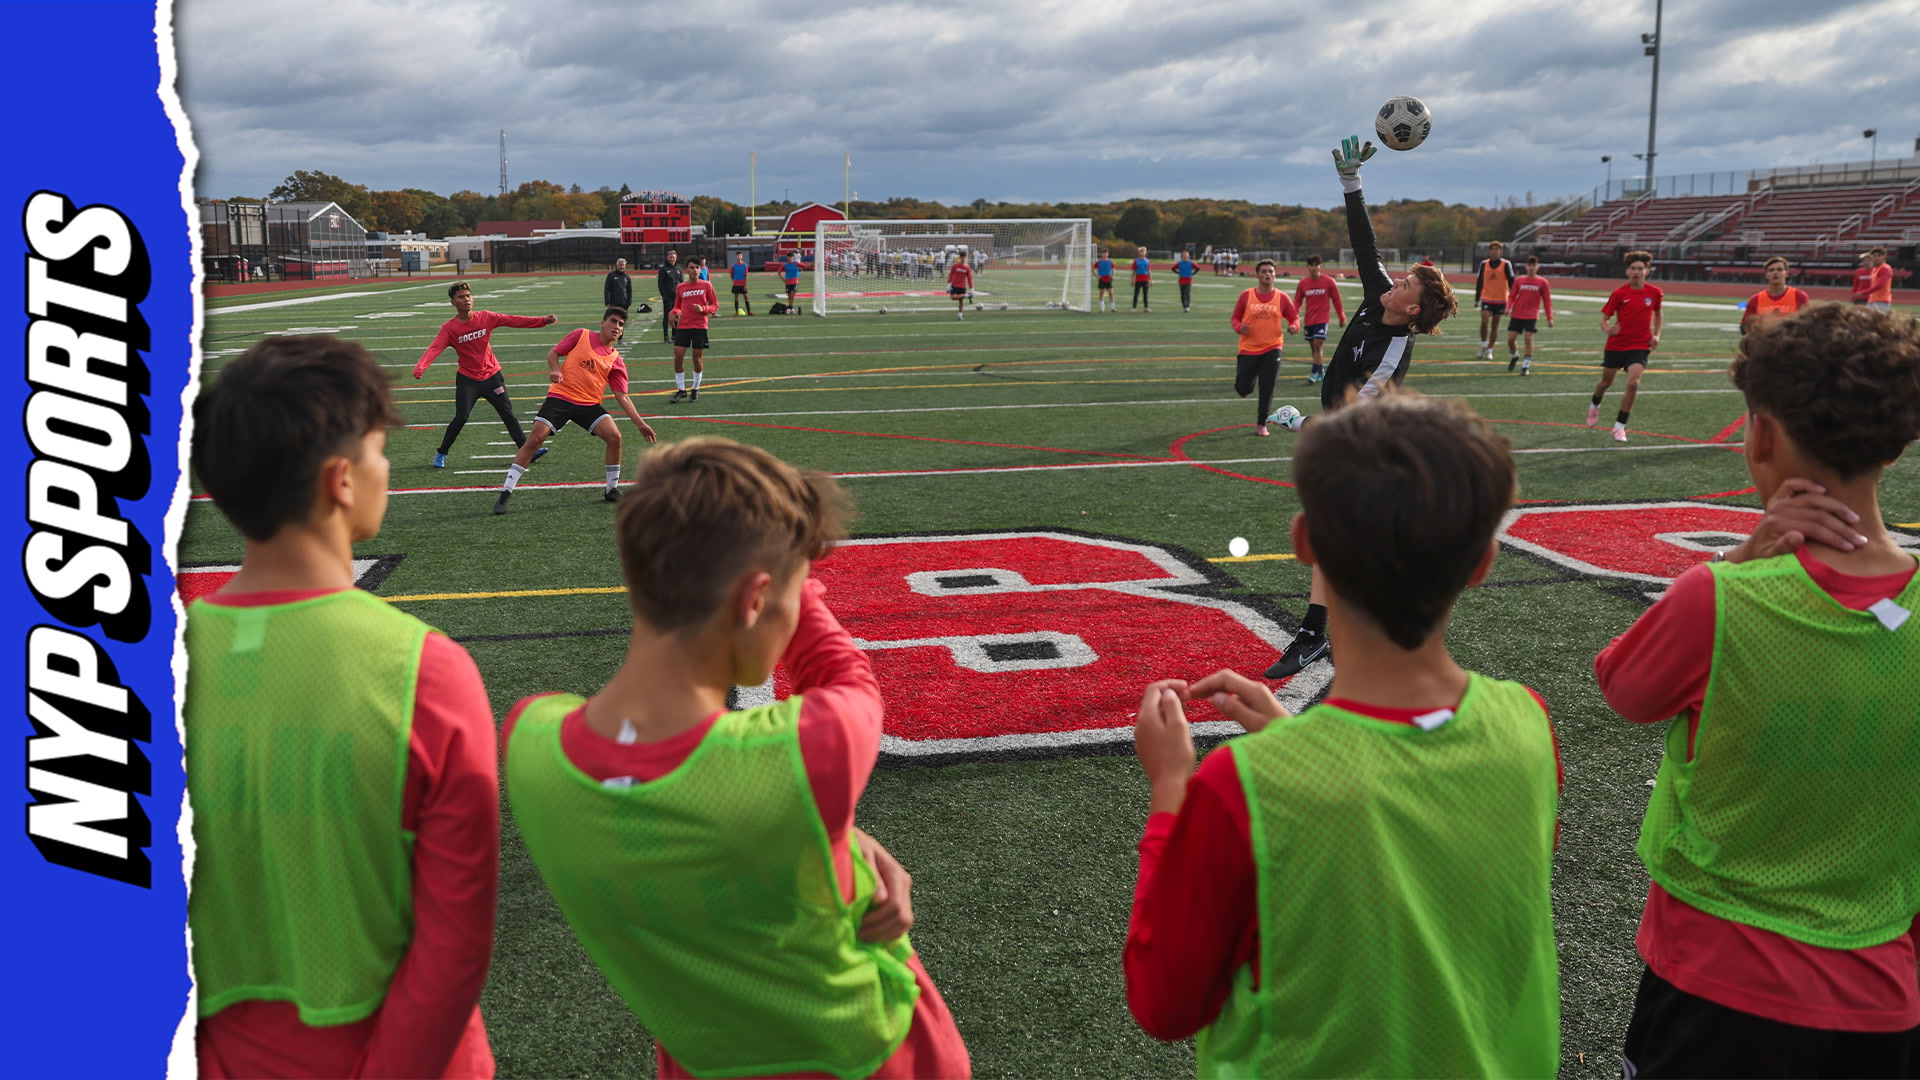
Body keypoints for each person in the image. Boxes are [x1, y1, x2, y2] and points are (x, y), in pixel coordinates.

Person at [501, 437, 972, 1080]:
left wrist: (834, 836)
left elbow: (680, 803)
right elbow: (844, 676)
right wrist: (799, 588)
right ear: (754, 601)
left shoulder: (530, 741)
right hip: (873, 1058)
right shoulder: (810, 753)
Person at [1128, 394, 1561, 1078]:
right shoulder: (1527, 723)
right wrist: (1292, 736)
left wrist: (1171, 789)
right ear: (1484, 562)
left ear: (1305, 544)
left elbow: (1165, 1004)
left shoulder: (1241, 784)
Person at [1596, 304, 1920, 1078]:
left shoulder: (1721, 596)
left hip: (1716, 978)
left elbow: (1624, 688)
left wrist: (1741, 558)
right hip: (1884, 990)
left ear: (1761, 435)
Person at [186, 336, 499, 1079]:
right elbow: (456, 939)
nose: (385, 468)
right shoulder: (426, 669)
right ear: (341, 480)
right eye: (380, 451)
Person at [1265, 136, 1460, 679]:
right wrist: (1351, 183)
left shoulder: (1392, 353)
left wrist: (1300, 421)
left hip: (1366, 454)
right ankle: (1338, 631)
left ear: (1412, 307)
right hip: (1349, 441)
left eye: (1403, 283)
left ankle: (1314, 637)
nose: (1392, 282)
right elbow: (1363, 241)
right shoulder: (1383, 302)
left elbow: (1349, 424)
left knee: (1336, 541)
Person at [492, 308, 658, 514]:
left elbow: (622, 396)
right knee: (534, 440)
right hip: (560, 399)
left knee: (615, 437)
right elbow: (553, 353)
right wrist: (556, 369)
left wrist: (641, 424)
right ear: (602, 323)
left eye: (621, 324)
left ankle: (611, 489)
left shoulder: (616, 360)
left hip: (588, 405)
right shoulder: (581, 335)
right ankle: (505, 493)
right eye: (613, 321)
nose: (617, 327)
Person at [414, 280, 556, 469]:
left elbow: (513, 320)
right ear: (453, 303)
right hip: (468, 379)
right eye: (460, 297)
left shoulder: (486, 317)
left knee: (508, 413)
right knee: (462, 417)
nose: (466, 300)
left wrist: (541, 321)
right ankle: (441, 453)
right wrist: (421, 367)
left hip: (492, 375)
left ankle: (526, 451)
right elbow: (435, 348)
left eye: (468, 296)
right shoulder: (449, 328)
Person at [1589, 250, 1663, 444]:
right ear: (1627, 271)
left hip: (1639, 345)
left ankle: (1620, 427)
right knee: (1605, 383)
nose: (1636, 272)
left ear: (1647, 271)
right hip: (1617, 344)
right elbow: (1604, 319)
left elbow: (1658, 314)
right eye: (1633, 268)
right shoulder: (1620, 294)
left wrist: (1656, 335)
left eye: (1640, 268)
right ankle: (1595, 404)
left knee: (1633, 383)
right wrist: (1608, 329)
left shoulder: (1655, 293)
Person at [1230, 259, 1300, 436]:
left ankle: (1262, 423)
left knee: (1268, 387)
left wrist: (1294, 327)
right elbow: (1235, 318)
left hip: (1273, 348)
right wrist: (1240, 328)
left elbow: (1294, 318)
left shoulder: (1282, 297)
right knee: (1243, 388)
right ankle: (1246, 386)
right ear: (1257, 274)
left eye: (1271, 271)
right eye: (1264, 271)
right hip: (1248, 349)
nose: (1268, 274)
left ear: (1275, 275)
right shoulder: (1247, 295)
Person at [668, 257, 719, 404]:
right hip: (684, 325)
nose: (695, 270)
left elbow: (715, 305)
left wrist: (704, 309)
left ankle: (695, 389)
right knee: (678, 357)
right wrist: (673, 312)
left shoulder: (706, 285)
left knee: (697, 358)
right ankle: (681, 390)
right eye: (692, 267)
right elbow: (678, 305)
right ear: (687, 270)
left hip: (700, 326)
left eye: (697, 267)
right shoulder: (681, 287)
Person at [1292, 254, 1347, 384]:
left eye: (1316, 265)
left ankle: (1313, 373)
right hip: (1309, 319)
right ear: (1308, 267)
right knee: (1314, 348)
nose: (1314, 268)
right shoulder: (1303, 283)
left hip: (1322, 319)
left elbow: (1337, 301)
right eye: (1311, 265)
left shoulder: (1329, 282)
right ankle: (1321, 370)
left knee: (1318, 345)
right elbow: (1297, 302)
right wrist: (1293, 318)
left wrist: (1341, 316)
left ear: (1320, 267)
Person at [1504, 256, 1554, 374]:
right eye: (1529, 265)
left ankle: (1526, 365)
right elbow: (1512, 296)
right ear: (1526, 267)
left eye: (1534, 265)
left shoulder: (1542, 282)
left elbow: (1547, 300)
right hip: (1517, 313)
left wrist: (1550, 318)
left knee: (1528, 338)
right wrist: (1508, 307)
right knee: (1511, 339)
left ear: (1538, 267)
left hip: (1531, 315)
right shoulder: (1520, 280)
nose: (1531, 268)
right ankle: (1515, 355)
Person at [1739, 256, 1811, 334]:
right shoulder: (1756, 299)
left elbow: (1808, 324)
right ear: (1766, 275)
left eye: (1779, 270)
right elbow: (1744, 327)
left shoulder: (1799, 296)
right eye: (1771, 270)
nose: (1775, 272)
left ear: (1786, 274)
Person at [1475, 240, 1515, 360]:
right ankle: (1483, 344)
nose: (1494, 251)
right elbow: (1479, 282)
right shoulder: (1484, 264)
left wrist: (1513, 299)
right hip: (1487, 297)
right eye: (1492, 249)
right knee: (1485, 320)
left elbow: (1512, 282)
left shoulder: (1506, 264)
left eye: (1497, 249)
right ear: (1489, 251)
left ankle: (1490, 350)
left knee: (1495, 325)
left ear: (1500, 251)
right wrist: (1477, 299)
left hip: (1501, 299)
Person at [656, 250, 683, 343]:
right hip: (668, 297)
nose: (672, 259)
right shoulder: (663, 269)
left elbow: (682, 282)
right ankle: (666, 336)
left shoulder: (678, 268)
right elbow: (661, 284)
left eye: (674, 257)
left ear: (676, 258)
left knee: (676, 316)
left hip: (677, 297)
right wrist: (664, 295)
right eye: (671, 257)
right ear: (667, 258)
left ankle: (674, 335)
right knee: (667, 316)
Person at [1864, 246, 1895, 313]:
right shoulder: (1875, 269)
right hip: (1873, 299)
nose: (1876, 258)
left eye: (1878, 256)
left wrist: (1863, 292)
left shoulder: (1884, 268)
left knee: (1878, 321)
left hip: (1881, 300)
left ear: (1884, 256)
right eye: (1874, 256)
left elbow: (1880, 285)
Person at [947, 250, 973, 320]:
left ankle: (960, 314)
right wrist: (949, 284)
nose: (963, 258)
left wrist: (971, 288)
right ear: (960, 257)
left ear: (966, 257)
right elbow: (951, 274)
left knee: (961, 301)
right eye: (962, 257)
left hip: (962, 286)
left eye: (964, 257)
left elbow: (969, 278)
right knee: (953, 297)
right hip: (955, 284)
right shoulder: (955, 265)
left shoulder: (967, 267)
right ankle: (967, 296)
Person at [729, 252, 753, 316]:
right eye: (737, 255)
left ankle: (749, 311)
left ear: (742, 256)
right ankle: (736, 312)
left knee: (746, 296)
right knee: (736, 298)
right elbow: (731, 275)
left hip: (743, 283)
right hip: (736, 283)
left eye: (740, 255)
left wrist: (745, 285)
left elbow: (746, 275)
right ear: (736, 257)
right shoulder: (733, 265)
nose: (739, 257)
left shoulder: (745, 265)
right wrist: (734, 281)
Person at [1096, 247, 1116, 312]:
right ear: (1102, 254)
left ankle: (1113, 308)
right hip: (1102, 278)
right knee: (1101, 293)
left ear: (1108, 254)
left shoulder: (1110, 261)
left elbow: (1113, 269)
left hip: (1108, 278)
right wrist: (1096, 275)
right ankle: (1102, 308)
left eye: (1106, 253)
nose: (1105, 254)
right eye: (1103, 253)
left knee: (1111, 293)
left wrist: (1112, 275)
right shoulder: (1099, 262)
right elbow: (1092, 268)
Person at [1132, 247, 1152, 312]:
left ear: (1145, 252)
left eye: (1143, 251)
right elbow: (1134, 271)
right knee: (1136, 294)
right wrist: (1133, 279)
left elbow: (1149, 270)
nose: (1142, 253)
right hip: (1138, 279)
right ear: (1139, 253)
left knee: (1145, 294)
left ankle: (1146, 307)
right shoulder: (1136, 261)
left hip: (1145, 279)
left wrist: (1151, 280)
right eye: (1141, 251)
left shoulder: (1147, 261)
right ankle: (1134, 307)